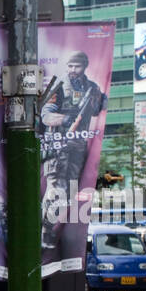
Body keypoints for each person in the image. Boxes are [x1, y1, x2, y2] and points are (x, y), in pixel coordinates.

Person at [40, 50, 107, 255]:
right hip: (58, 146)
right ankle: (44, 229)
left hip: (77, 148)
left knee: (69, 193)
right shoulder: (59, 87)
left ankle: (48, 227)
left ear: (84, 67)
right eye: (70, 66)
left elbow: (99, 108)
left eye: (76, 66)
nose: (73, 71)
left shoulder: (92, 89)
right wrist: (65, 120)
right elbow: (45, 116)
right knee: (55, 190)